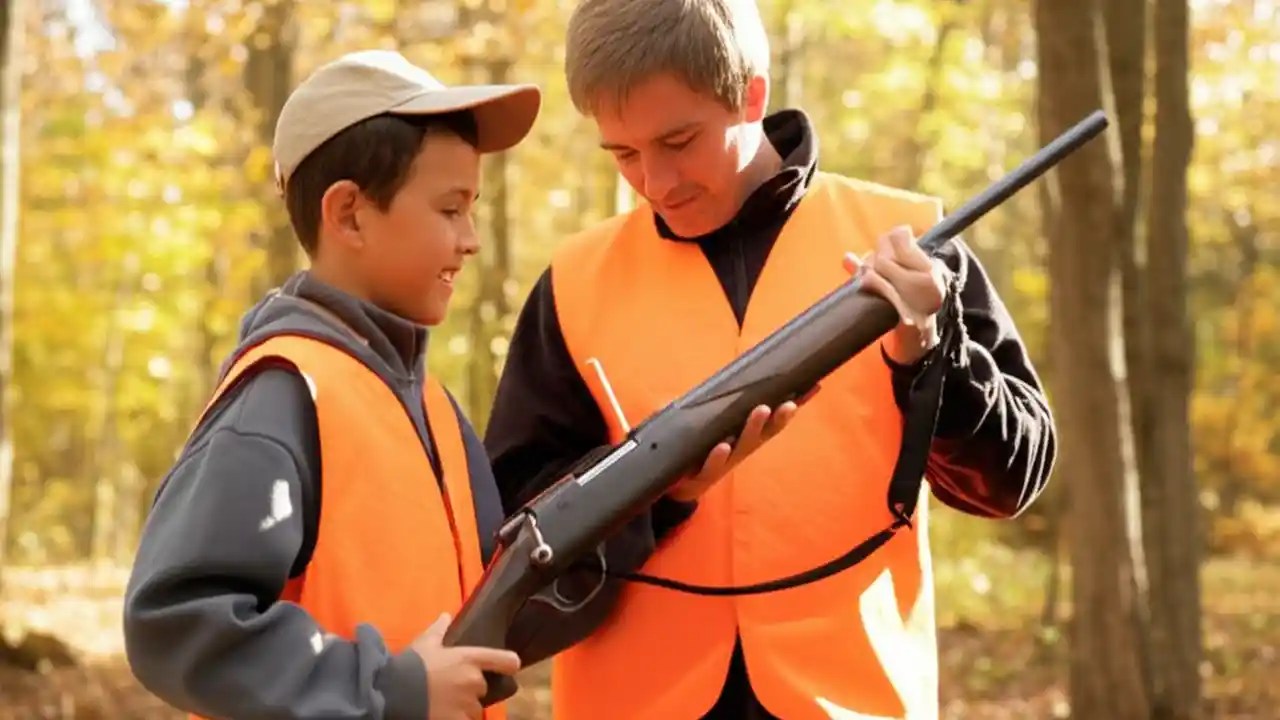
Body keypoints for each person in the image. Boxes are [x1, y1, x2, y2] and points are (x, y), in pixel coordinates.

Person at [482, 1, 1059, 719]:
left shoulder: (909, 245)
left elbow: (1012, 480)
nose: (656, 182)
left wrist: (929, 350)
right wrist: (660, 493)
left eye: (679, 140)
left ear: (751, 94)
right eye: (624, 155)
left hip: (852, 702)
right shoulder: (573, 282)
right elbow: (510, 519)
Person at [123, 50, 546, 720]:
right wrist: (388, 691)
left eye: (473, 209)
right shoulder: (285, 396)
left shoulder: (432, 407)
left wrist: (662, 498)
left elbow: (514, 601)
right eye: (449, 208)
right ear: (349, 213)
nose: (471, 240)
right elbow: (176, 620)